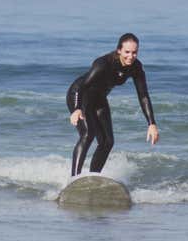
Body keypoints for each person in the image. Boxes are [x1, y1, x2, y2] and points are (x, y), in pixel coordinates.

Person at [67, 33, 159, 176]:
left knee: (107, 142)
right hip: (79, 95)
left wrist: (151, 123)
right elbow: (82, 87)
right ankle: (74, 178)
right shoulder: (103, 63)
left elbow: (143, 96)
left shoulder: (136, 67)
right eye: (127, 52)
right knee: (88, 134)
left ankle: (93, 177)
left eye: (134, 52)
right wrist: (77, 109)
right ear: (119, 50)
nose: (131, 56)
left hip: (99, 98)